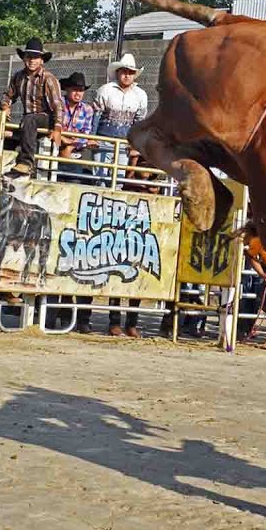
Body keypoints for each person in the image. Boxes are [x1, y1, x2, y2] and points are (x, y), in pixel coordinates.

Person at [90, 52, 150, 337]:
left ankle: (124, 321)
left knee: (122, 178)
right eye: (124, 71)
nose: (126, 75)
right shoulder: (105, 91)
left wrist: (136, 148)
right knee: (103, 177)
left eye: (130, 72)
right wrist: (92, 137)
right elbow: (96, 117)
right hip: (105, 141)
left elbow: (139, 123)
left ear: (134, 75)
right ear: (118, 73)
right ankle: (104, 200)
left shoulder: (140, 96)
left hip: (125, 144)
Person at [0, 37, 64, 178]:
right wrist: (5, 106)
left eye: (35, 57)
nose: (32, 60)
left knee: (29, 119)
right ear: (24, 59)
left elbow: (58, 105)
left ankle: (26, 162)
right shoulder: (18, 77)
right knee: (6, 132)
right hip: (28, 121)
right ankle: (2, 169)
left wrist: (57, 128)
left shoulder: (48, 78)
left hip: (46, 118)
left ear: (41, 60)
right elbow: (7, 95)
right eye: (29, 57)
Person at [57, 72, 98, 183]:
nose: (78, 93)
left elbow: (86, 133)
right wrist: (63, 140)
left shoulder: (87, 109)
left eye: (81, 90)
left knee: (74, 181)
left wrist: (69, 147)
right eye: (75, 90)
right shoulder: (57, 104)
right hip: (54, 149)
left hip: (75, 152)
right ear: (67, 89)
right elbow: (52, 125)